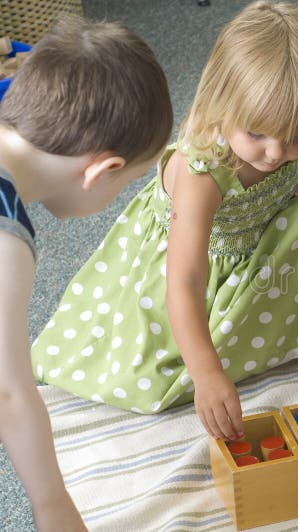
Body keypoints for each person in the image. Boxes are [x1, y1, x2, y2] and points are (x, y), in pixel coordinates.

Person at [31, 1, 298, 443]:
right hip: (188, 273)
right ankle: (247, 344)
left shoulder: (280, 145)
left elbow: (294, 181)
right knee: (165, 367)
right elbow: (183, 280)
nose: (277, 153)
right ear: (223, 107)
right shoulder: (201, 172)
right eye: (258, 135)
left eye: (297, 136)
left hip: (252, 247)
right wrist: (206, 374)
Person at [0, 16, 172, 532]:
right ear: (101, 171)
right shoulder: (7, 243)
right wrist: (54, 506)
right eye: (129, 182)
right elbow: (9, 394)